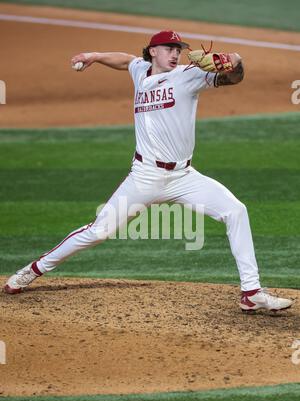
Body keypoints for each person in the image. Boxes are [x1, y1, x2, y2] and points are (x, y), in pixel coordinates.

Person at [4, 30, 292, 313]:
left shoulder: (188, 75)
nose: (176, 53)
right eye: (169, 48)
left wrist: (235, 61)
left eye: (178, 49)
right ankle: (33, 270)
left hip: (184, 178)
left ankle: (251, 292)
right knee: (99, 231)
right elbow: (125, 60)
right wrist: (95, 56)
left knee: (236, 210)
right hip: (144, 177)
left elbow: (233, 78)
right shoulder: (140, 71)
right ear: (153, 51)